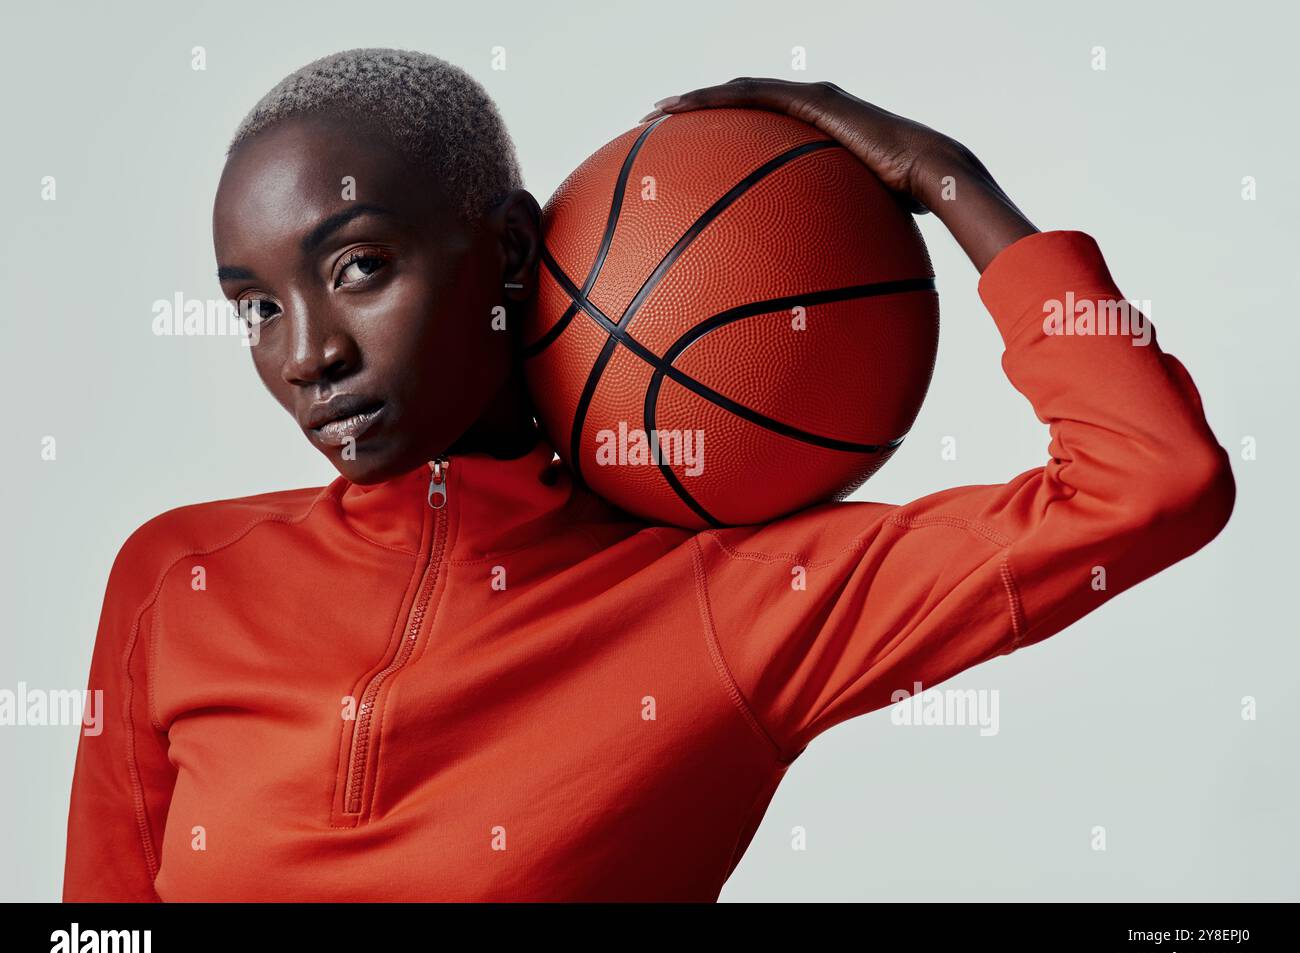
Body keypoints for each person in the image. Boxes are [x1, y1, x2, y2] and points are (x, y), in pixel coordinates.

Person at [62, 49, 1235, 902]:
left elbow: (1152, 480)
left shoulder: (735, 602)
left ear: (511, 252)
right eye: (256, 307)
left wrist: (948, 182)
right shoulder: (179, 576)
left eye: (360, 268)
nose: (307, 353)